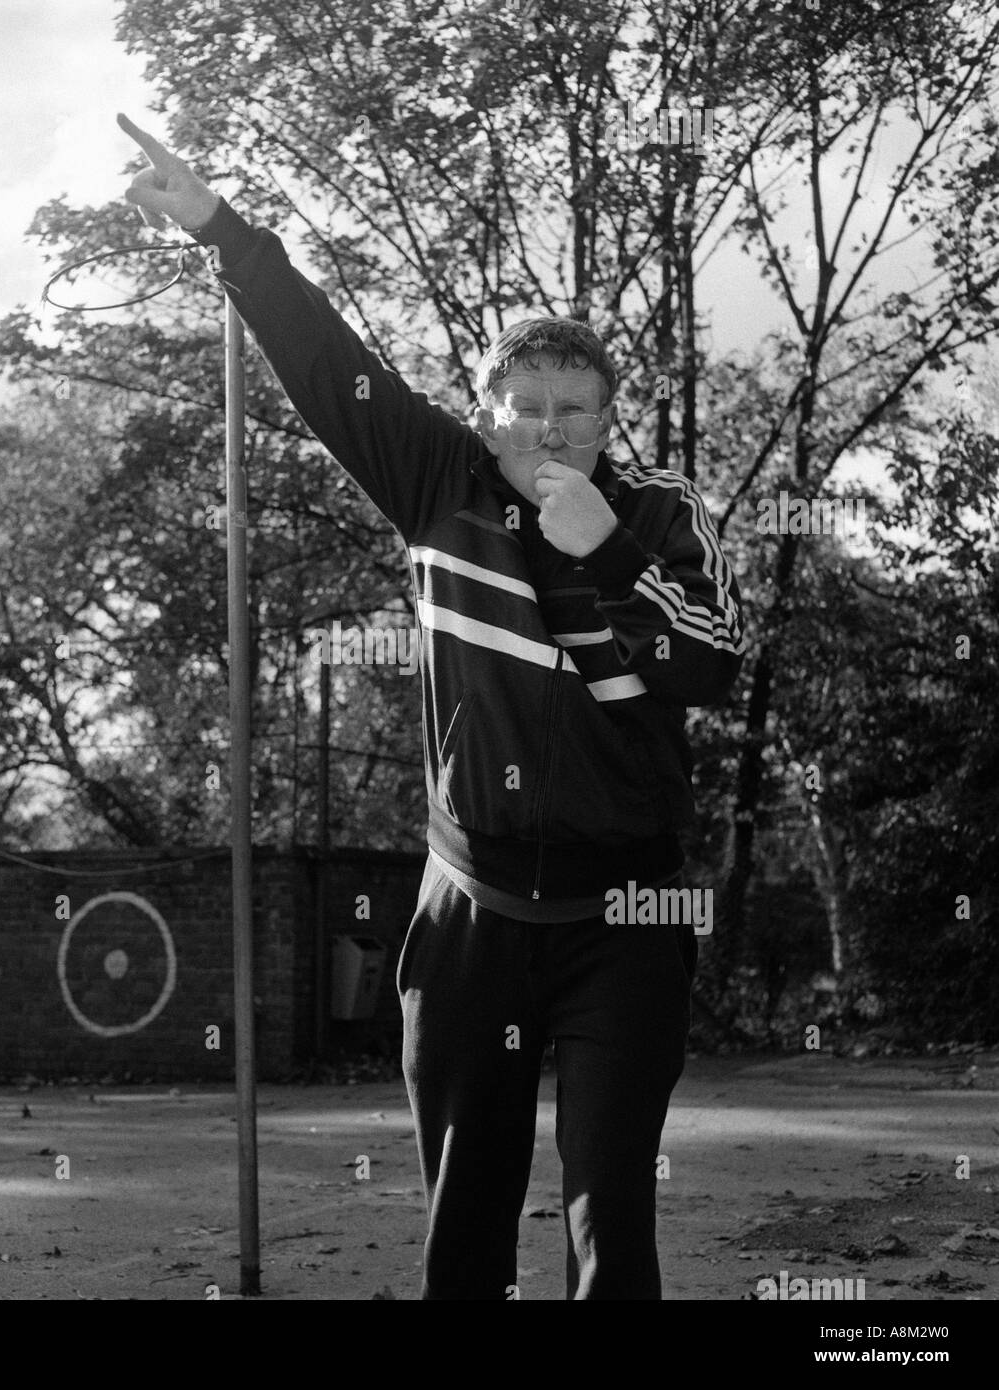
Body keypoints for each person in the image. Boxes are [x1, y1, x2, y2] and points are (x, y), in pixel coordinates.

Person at [117, 112, 746, 1300]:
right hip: (472, 914)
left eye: (575, 410)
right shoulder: (438, 481)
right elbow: (324, 356)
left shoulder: (663, 515)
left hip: (629, 912)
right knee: (466, 1225)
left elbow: (713, 667)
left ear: (611, 424)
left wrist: (607, 555)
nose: (547, 430)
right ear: (489, 406)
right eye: (525, 405)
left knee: (613, 1209)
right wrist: (218, 229)